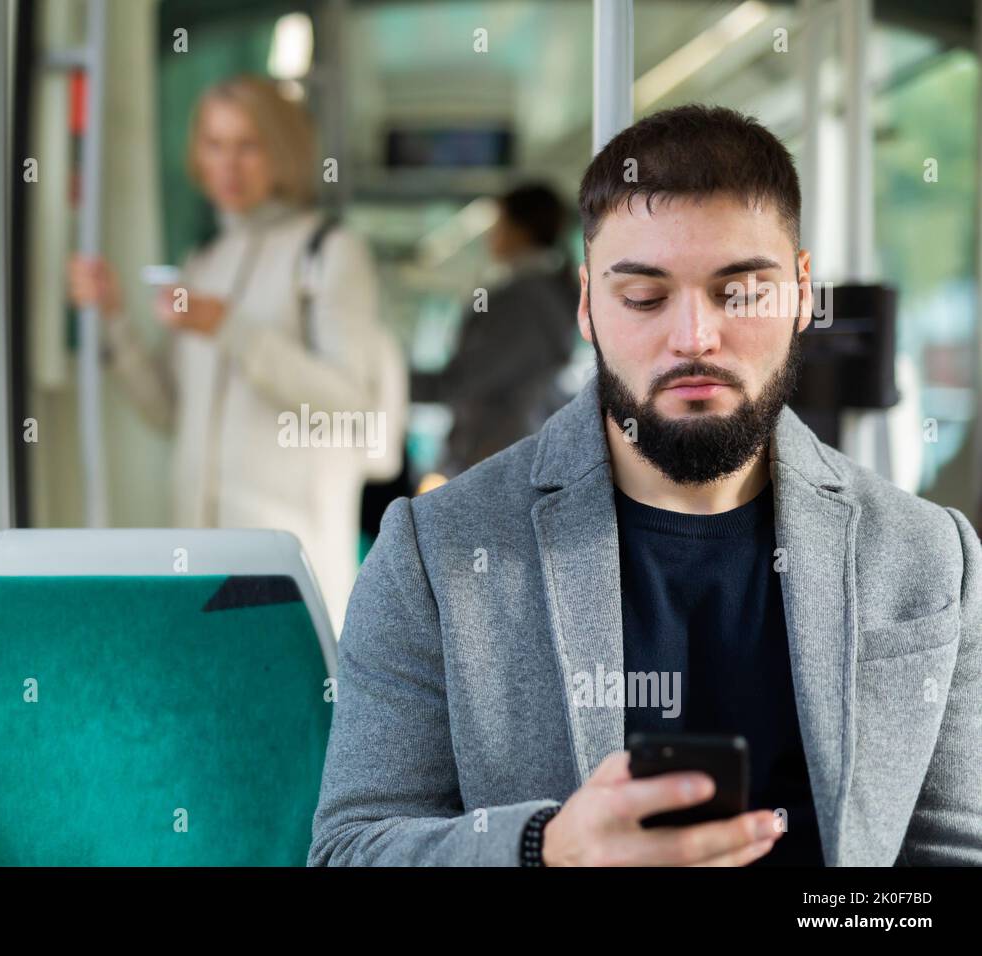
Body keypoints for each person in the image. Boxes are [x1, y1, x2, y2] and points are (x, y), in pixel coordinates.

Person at [308, 104, 982, 866]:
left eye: (739, 292)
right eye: (645, 298)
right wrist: (546, 850)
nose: (694, 337)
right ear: (588, 304)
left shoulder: (930, 555)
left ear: (801, 291)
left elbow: (954, 855)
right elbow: (349, 850)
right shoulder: (438, 554)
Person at [70, 75, 382, 634]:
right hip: (195, 562)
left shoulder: (330, 250)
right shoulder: (204, 261)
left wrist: (230, 328)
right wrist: (114, 318)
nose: (228, 165)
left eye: (248, 145)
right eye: (214, 145)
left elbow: (349, 403)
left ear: (283, 151)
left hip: (285, 568)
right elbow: (169, 411)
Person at [412, 183, 580, 477]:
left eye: (498, 223)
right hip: (522, 445)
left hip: (498, 452)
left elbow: (471, 378)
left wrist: (391, 382)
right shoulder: (553, 292)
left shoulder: (520, 298)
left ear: (519, 229)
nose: (492, 234)